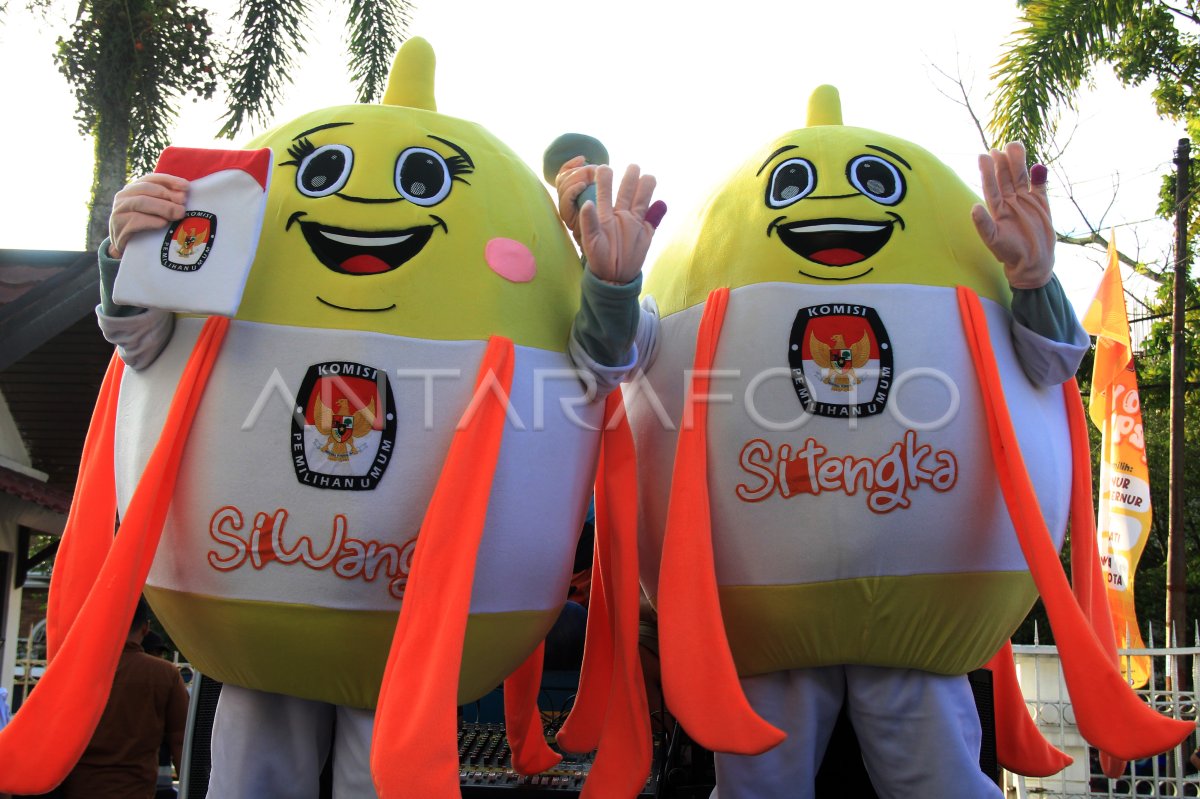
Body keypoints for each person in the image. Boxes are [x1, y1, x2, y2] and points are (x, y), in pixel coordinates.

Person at [58, 598, 189, 799]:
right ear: (145, 628)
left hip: (78, 788)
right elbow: (181, 741)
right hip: (135, 790)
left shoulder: (72, 670)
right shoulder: (164, 674)